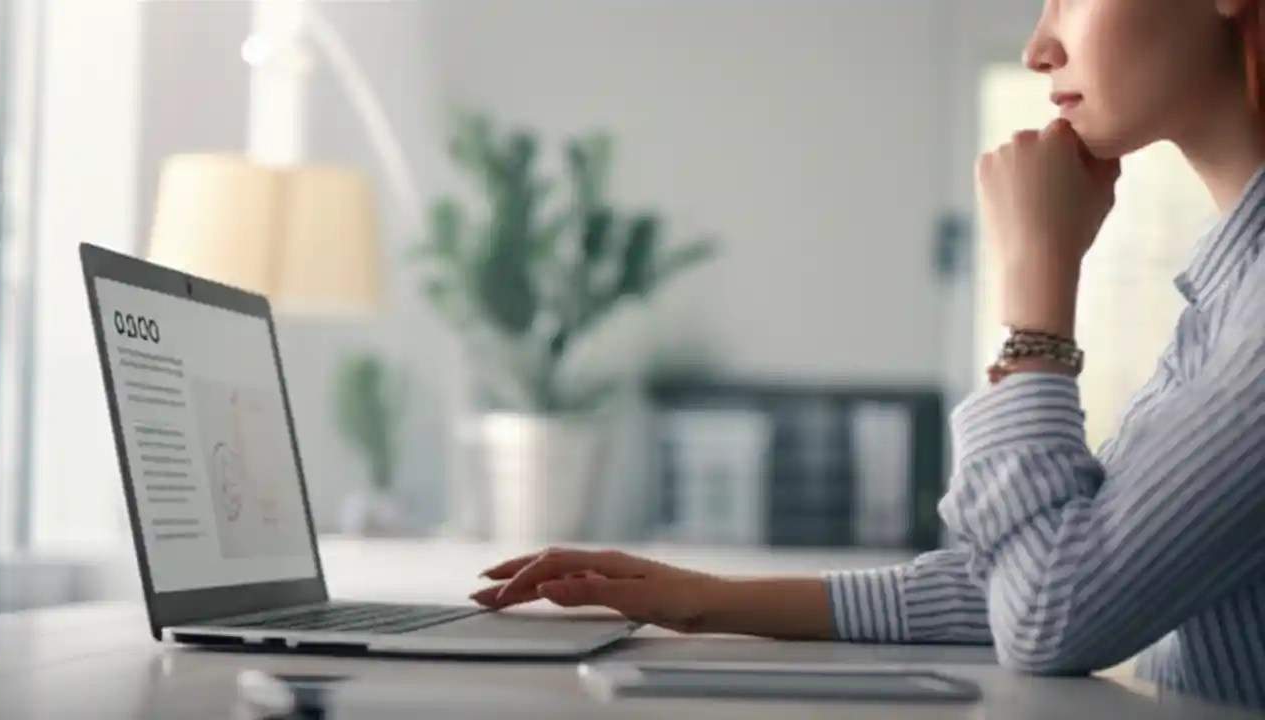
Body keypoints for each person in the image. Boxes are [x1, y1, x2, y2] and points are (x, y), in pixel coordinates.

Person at [470, 0, 1265, 708]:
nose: (1038, 45)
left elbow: (1051, 611)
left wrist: (1035, 274)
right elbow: (1035, 576)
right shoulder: (1232, 293)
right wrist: (698, 599)